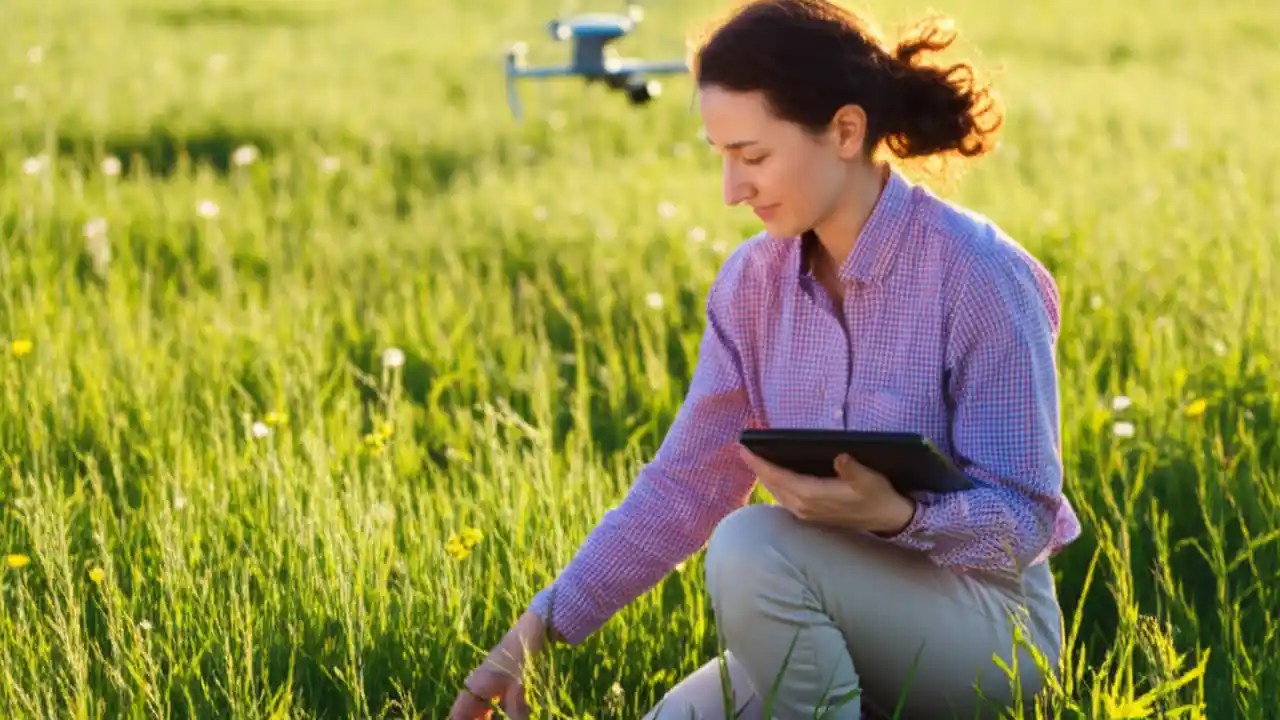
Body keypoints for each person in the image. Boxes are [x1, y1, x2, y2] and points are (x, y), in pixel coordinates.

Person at [450, 0, 1082, 717]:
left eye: (753, 157)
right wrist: (538, 629)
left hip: (987, 626)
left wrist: (899, 515)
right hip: (825, 609)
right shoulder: (753, 285)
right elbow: (683, 487)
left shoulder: (978, 275)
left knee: (752, 542)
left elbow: (1024, 518)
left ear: (846, 131)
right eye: (721, 157)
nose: (731, 190)